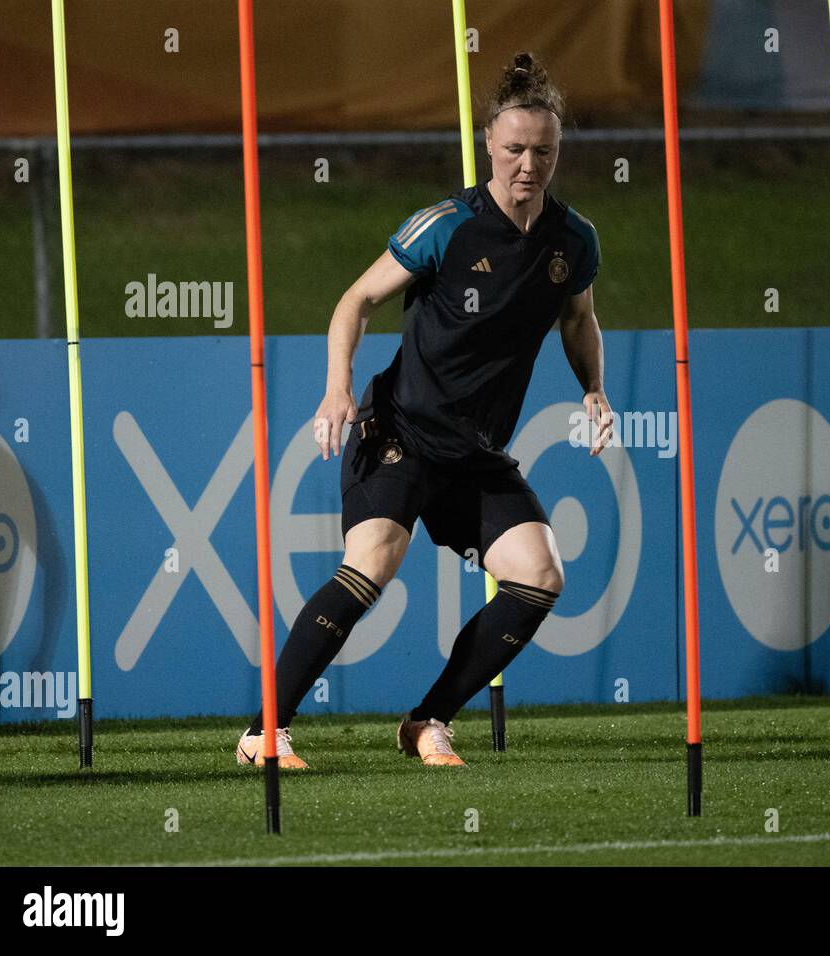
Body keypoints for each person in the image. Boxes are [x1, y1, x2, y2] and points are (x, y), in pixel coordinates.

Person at [235, 51, 612, 770]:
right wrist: (337, 387)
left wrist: (593, 390)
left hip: (476, 454)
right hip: (402, 431)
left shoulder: (574, 241)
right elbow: (356, 300)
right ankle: (265, 731)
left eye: (543, 151)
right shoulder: (445, 226)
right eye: (513, 150)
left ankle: (427, 721)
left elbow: (578, 319)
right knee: (372, 562)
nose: (528, 165)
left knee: (540, 574)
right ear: (488, 148)